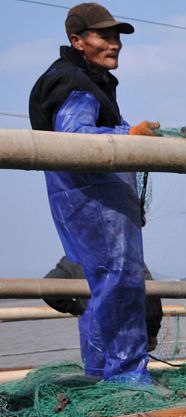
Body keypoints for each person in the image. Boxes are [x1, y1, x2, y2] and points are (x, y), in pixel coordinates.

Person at [28, 3, 160, 384]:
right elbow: (77, 139)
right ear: (77, 41)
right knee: (119, 283)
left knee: (100, 286)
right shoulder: (75, 82)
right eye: (104, 35)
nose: (115, 44)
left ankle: (101, 375)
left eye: (117, 36)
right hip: (94, 197)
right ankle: (126, 378)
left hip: (74, 196)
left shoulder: (83, 78)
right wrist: (130, 136)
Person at [42, 256, 164, 352]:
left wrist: (78, 309)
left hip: (93, 334)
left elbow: (47, 289)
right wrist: (151, 334)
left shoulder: (71, 259)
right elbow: (152, 298)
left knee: (94, 377)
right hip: (128, 335)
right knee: (129, 377)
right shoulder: (129, 256)